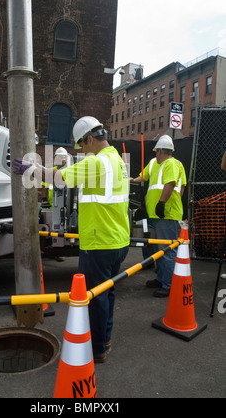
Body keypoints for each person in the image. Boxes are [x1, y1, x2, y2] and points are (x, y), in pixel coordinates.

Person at [13, 116, 130, 363]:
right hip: (119, 240)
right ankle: (105, 338)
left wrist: (29, 170)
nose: (82, 151)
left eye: (81, 146)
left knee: (95, 299)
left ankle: (97, 349)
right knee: (107, 293)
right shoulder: (118, 161)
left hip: (100, 242)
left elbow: (58, 179)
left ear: (89, 139)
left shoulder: (97, 162)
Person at [130, 135, 187, 297]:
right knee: (159, 249)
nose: (156, 154)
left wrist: (162, 203)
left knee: (166, 250)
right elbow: (143, 177)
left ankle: (168, 284)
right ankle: (162, 279)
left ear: (161, 151)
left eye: (157, 152)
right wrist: (131, 180)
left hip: (167, 214)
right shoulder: (154, 164)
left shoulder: (173, 164)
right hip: (155, 213)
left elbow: (172, 185)